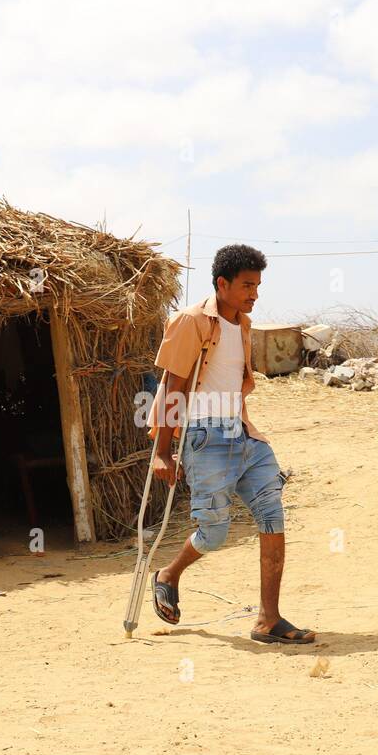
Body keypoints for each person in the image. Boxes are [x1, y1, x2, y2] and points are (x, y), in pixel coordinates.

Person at [145, 244, 314, 644]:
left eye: (257, 285)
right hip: (205, 435)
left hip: (244, 433)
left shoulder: (244, 323)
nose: (254, 294)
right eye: (246, 286)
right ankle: (168, 574)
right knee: (215, 532)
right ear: (221, 284)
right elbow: (174, 385)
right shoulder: (191, 321)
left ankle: (268, 619)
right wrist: (163, 452)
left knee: (273, 515)